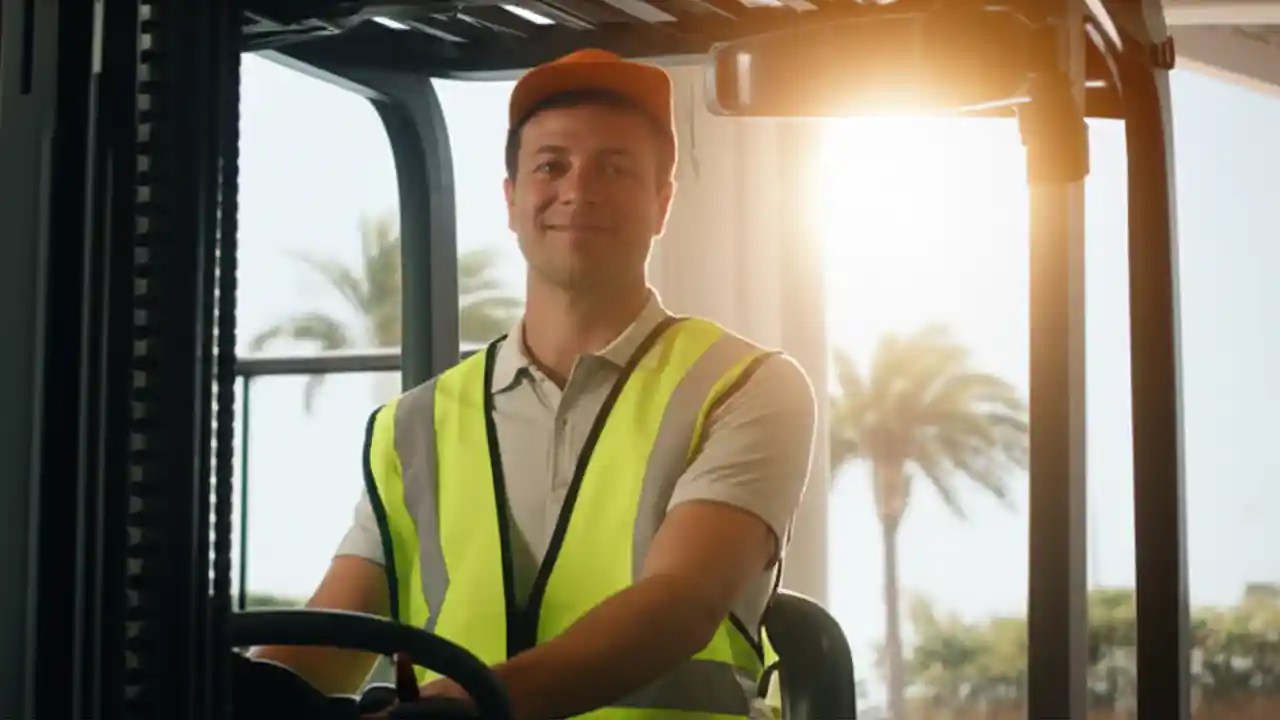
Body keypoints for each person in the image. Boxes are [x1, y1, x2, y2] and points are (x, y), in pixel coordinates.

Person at [253, 48, 817, 720]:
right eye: (551, 166)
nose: (579, 190)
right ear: (512, 199)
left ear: (662, 202)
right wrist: (224, 690)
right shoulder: (414, 426)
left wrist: (462, 708)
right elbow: (332, 637)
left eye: (616, 168)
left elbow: (680, 603)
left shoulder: (745, 388)